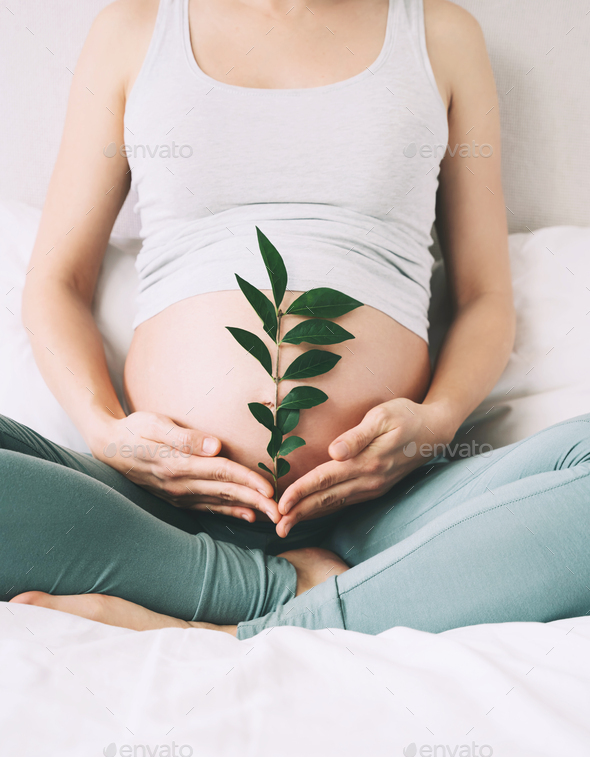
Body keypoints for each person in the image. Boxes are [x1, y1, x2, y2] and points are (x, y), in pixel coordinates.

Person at [3, 0, 589, 638]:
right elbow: (58, 283)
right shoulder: (134, 30)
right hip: (155, 508)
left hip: (388, 512)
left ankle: (237, 615)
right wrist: (106, 432)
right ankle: (287, 591)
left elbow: (483, 298)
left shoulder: (443, 35)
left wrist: (435, 423)